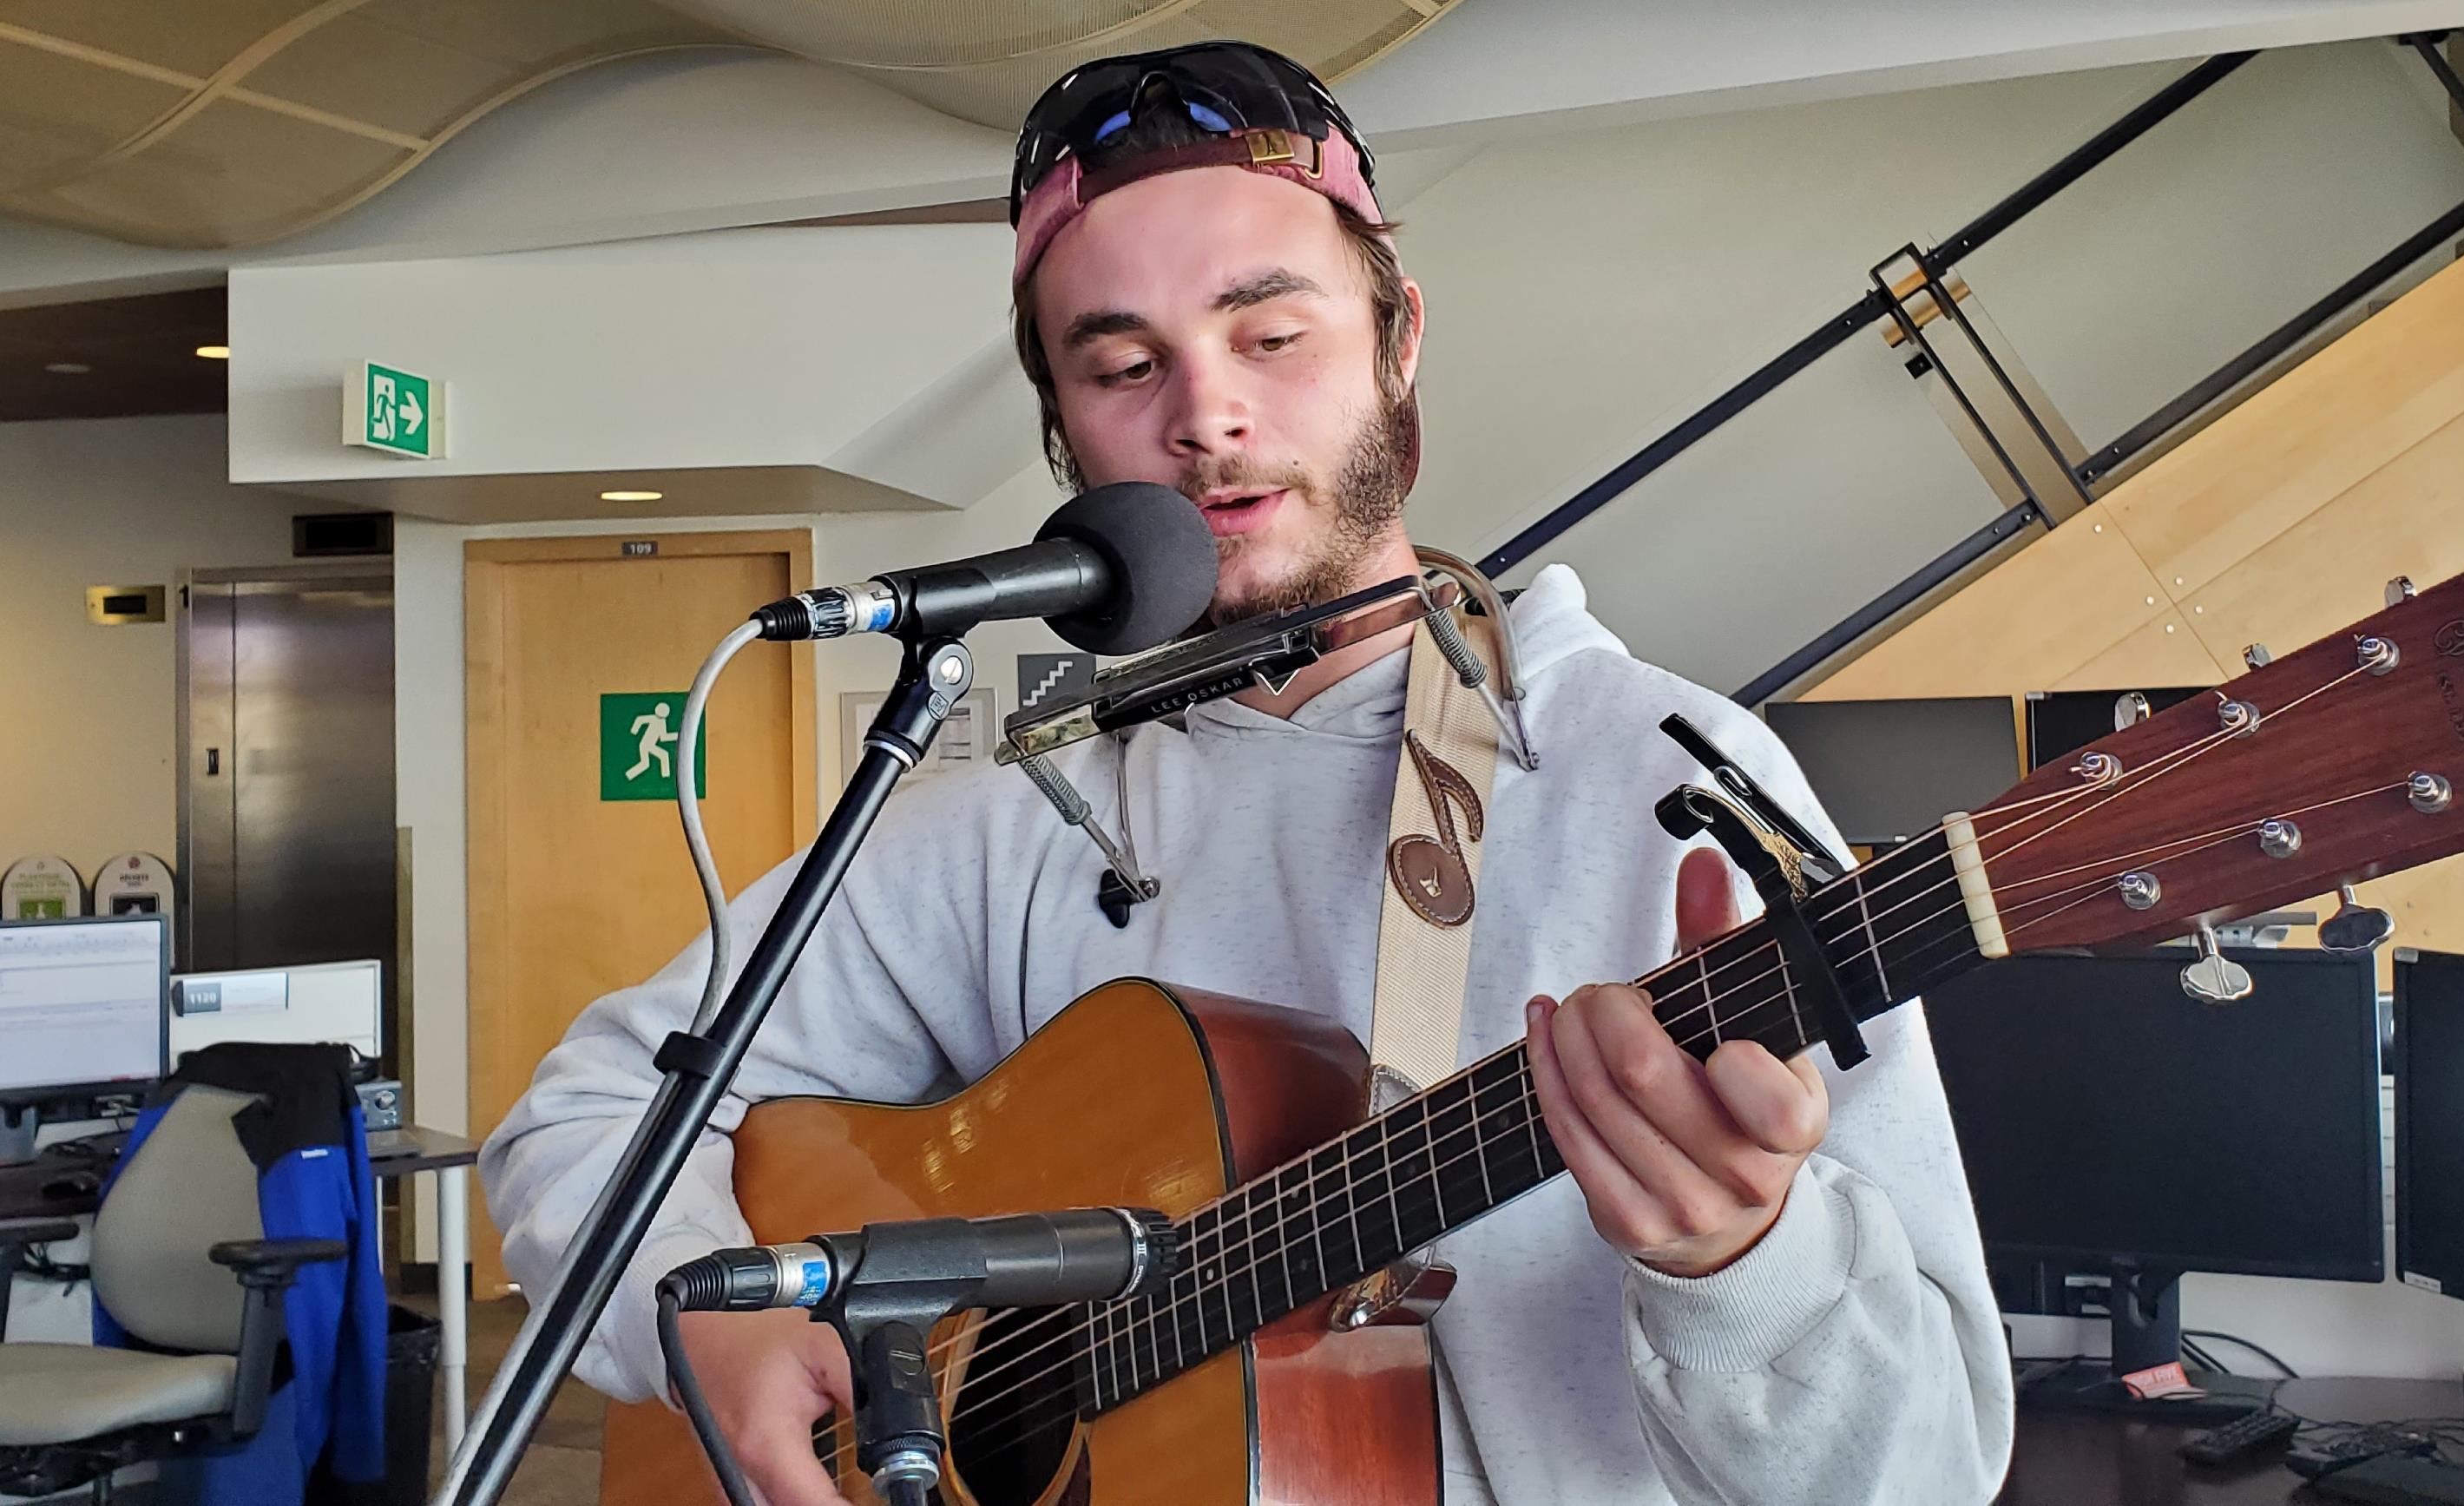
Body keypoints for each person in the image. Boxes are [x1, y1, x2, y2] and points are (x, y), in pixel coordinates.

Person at [483, 41, 2012, 1505]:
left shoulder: (1668, 776)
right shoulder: (1009, 824)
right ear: (1064, 427)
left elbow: (1926, 1473)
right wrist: (703, 1315)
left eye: (1271, 336)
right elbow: (584, 1114)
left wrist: (1746, 1267)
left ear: (1400, 338)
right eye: (1123, 364)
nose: (1205, 417)